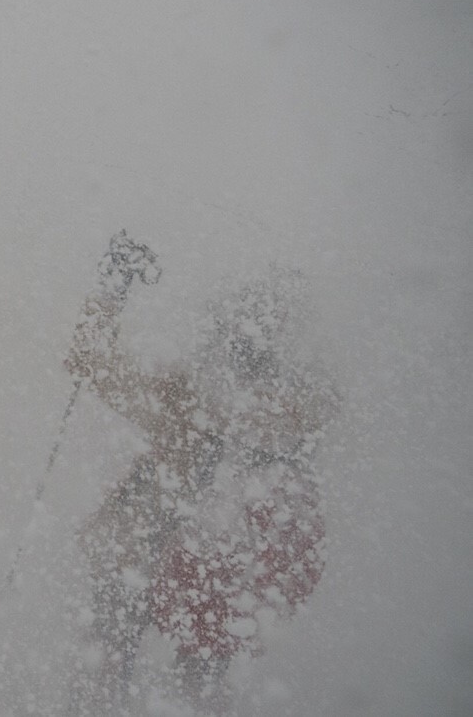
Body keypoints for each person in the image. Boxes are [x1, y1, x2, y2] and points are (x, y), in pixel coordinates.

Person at [64, 235, 339, 715]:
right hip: (227, 578)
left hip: (143, 549)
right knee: (202, 676)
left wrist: (111, 287)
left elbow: (90, 359)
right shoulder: (299, 411)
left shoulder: (186, 396)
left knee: (106, 663)